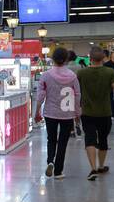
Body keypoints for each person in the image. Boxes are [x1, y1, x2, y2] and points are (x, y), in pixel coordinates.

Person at [77, 47, 114, 181]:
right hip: (105, 112)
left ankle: (93, 168)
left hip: (87, 112)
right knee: (103, 140)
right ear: (103, 58)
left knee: (90, 139)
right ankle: (101, 166)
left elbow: (74, 90)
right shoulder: (109, 72)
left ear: (90, 58)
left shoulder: (82, 73)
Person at [34, 47, 81, 179]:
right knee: (63, 142)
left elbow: (40, 96)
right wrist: (77, 112)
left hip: (50, 112)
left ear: (53, 59)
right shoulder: (72, 76)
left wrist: (37, 112)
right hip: (67, 113)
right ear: (66, 59)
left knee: (51, 139)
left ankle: (50, 161)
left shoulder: (46, 75)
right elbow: (77, 95)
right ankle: (58, 171)